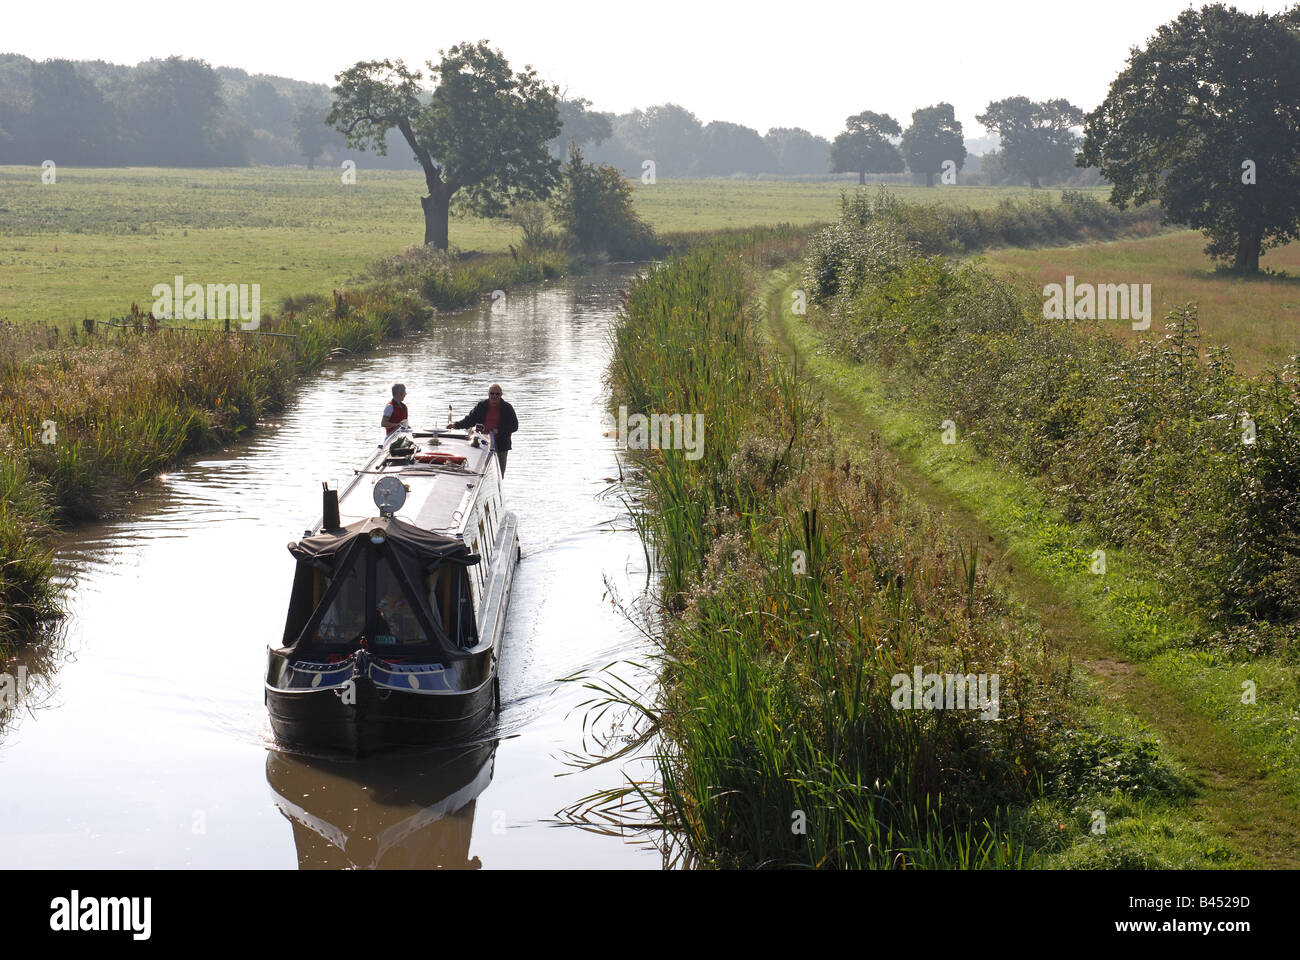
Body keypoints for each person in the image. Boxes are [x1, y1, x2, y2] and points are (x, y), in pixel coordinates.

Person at [449, 383, 519, 476]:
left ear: (501, 395)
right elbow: (470, 420)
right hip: (482, 443)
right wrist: (455, 425)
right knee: (480, 469)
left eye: (497, 394)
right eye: (492, 393)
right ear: (488, 394)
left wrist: (499, 430)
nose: (494, 396)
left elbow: (514, 426)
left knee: (499, 473)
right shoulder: (482, 406)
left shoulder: (507, 408)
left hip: (501, 445)